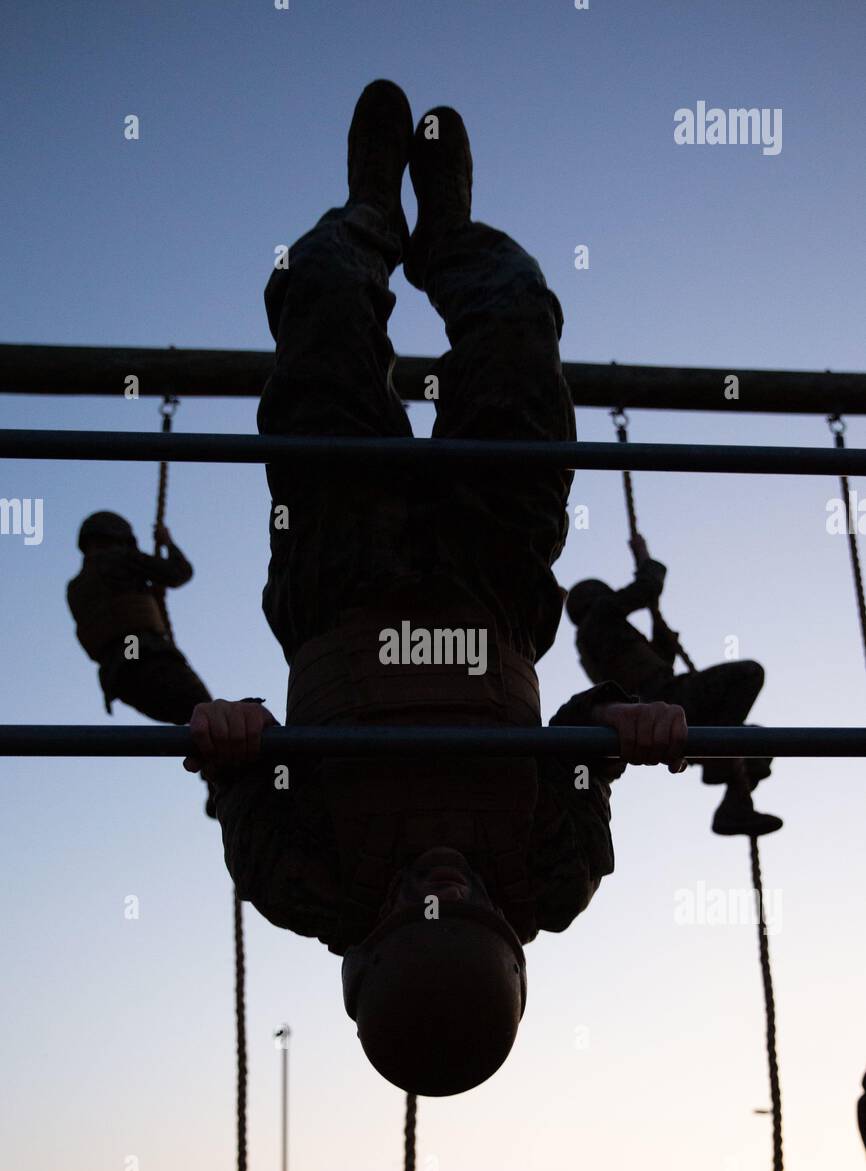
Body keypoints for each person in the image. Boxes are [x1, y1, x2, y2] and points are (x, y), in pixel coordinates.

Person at [185, 80, 689, 1097]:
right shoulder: (550, 880)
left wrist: (227, 734)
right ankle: (448, 234)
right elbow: (585, 743)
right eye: (464, 901)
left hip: (339, 580)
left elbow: (234, 769)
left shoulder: (304, 887)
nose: (441, 881)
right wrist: (630, 723)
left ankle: (371, 212)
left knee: (322, 299)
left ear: (368, 938)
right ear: (506, 930)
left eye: (419, 898)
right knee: (514, 333)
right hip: (489, 583)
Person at [565, 532, 783, 837]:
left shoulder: (599, 638)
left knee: (760, 742)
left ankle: (733, 803)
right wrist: (645, 560)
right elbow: (647, 588)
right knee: (748, 673)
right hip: (667, 699)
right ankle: (719, 761)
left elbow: (658, 663)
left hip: (663, 706)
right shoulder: (600, 617)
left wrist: (660, 633)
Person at [68, 510, 211, 722]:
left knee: (194, 721)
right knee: (208, 716)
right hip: (139, 652)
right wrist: (168, 542)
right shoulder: (120, 559)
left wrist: (148, 596)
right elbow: (180, 572)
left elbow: (113, 609)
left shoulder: (75, 587)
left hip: (116, 676)